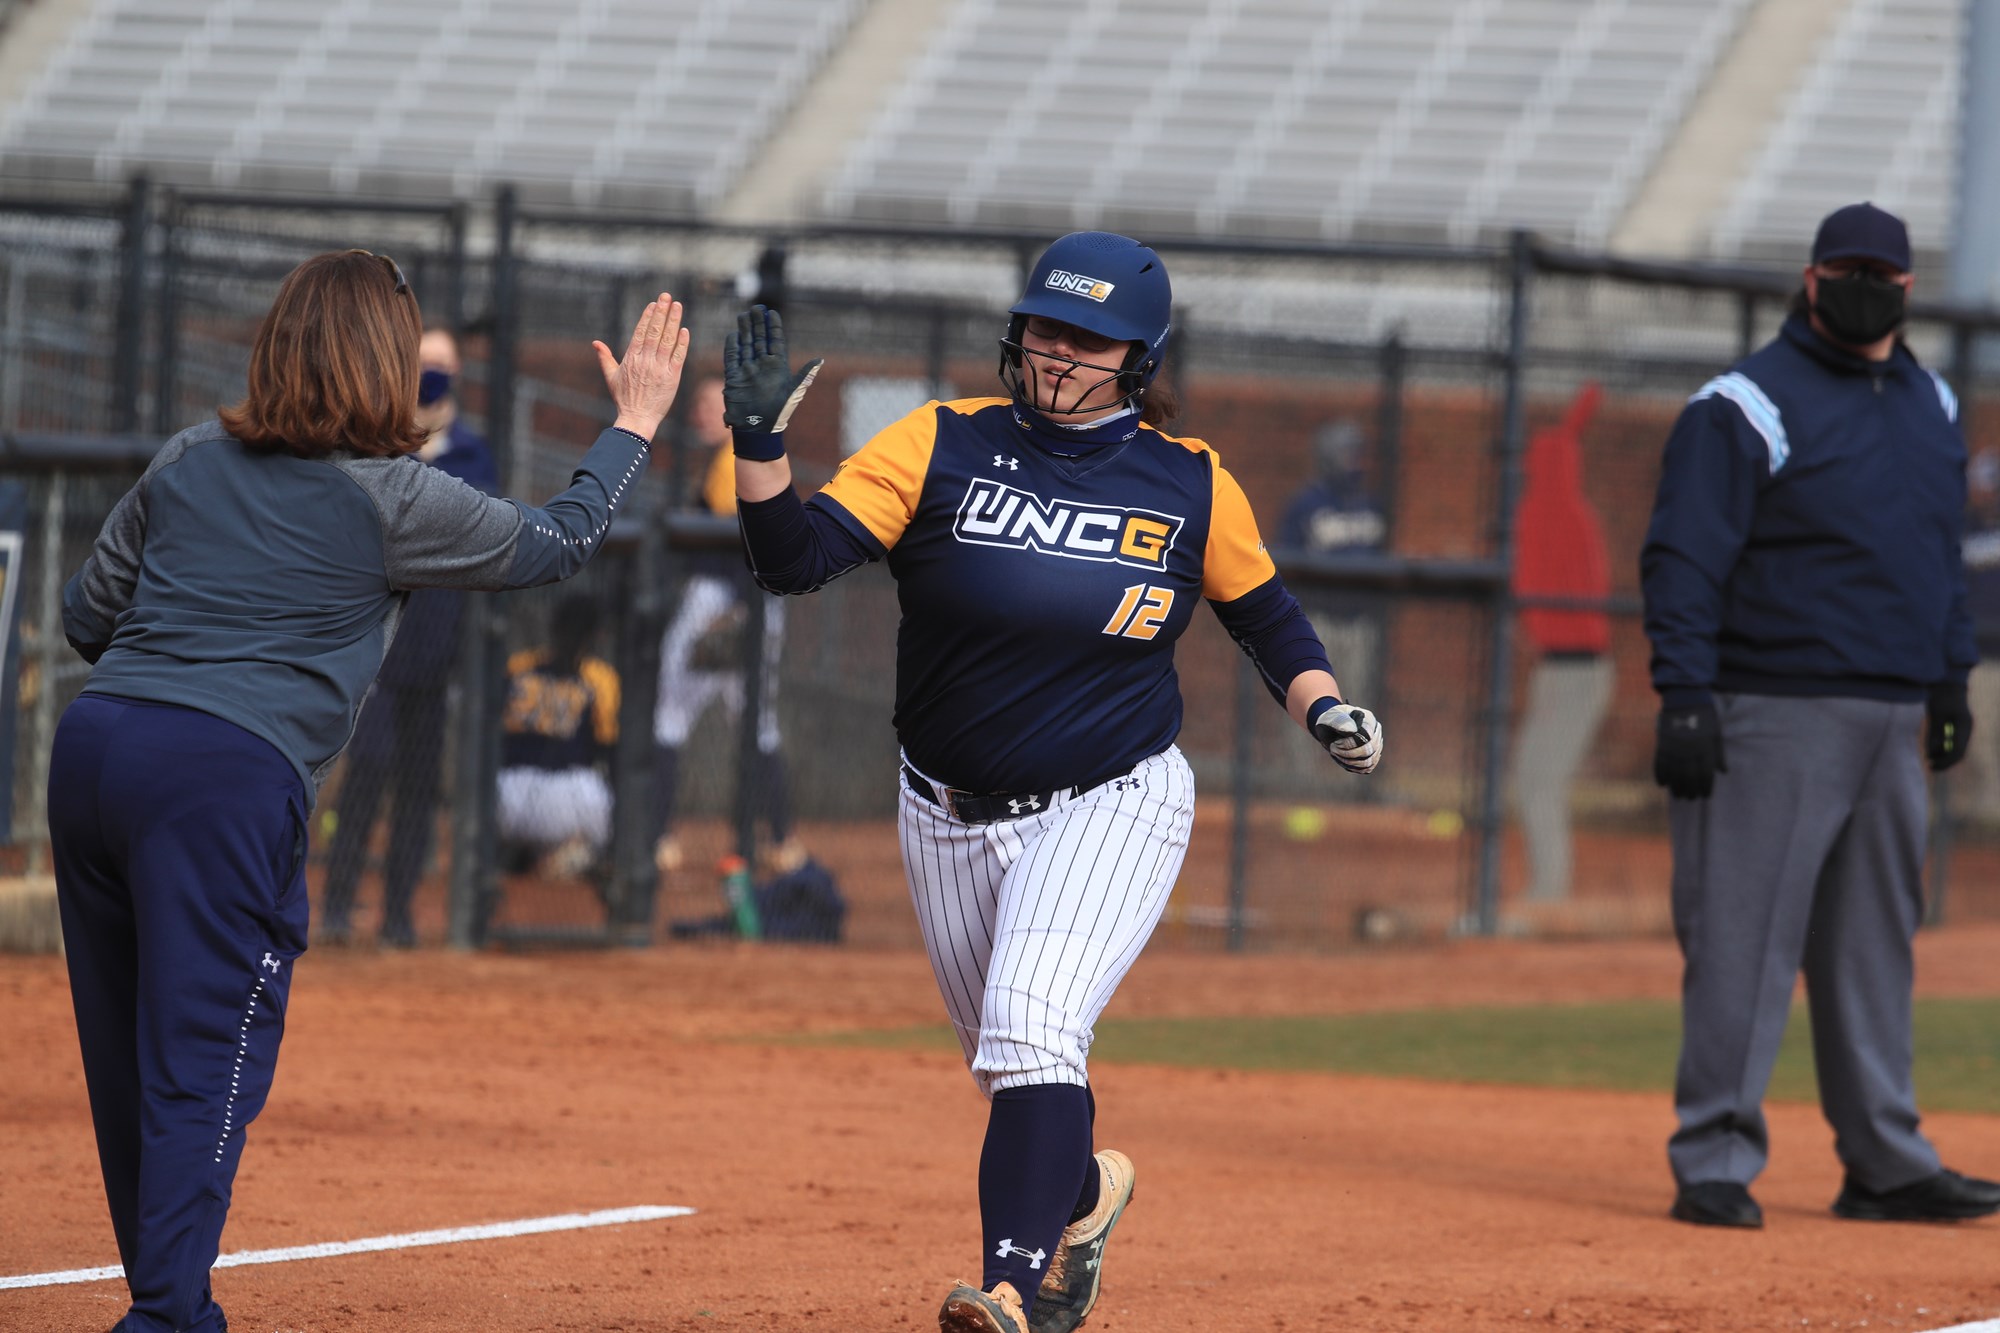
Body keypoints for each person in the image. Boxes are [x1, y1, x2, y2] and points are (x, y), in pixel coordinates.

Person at [726, 232, 1383, 1333]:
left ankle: (1006, 1291)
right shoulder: (938, 442)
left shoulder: (1187, 481)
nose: (1054, 352)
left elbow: (1265, 616)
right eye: (1042, 327)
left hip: (1109, 797)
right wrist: (757, 442)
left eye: (1085, 337)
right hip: (941, 808)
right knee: (1014, 1068)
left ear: (1139, 358)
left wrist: (1321, 704)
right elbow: (789, 560)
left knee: (1029, 1026)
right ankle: (1081, 1199)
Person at [50, 250, 688, 1333]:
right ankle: (165, 1317)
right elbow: (560, 542)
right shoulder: (393, 496)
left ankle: (164, 1297)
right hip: (220, 780)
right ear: (386, 364)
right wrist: (633, 424)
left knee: (128, 1048)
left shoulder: (188, 456)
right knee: (205, 1056)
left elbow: (84, 617)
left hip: (99, 747)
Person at [1641, 202, 2000, 1229]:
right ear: (1808, 279)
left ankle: (1884, 1160)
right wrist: (1684, 695)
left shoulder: (1928, 399)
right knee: (1739, 939)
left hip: (1893, 711)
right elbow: (1681, 557)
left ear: (1904, 288)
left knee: (1872, 945)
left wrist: (1947, 679)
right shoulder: (1742, 403)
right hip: (1771, 708)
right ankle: (1712, 1155)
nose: (1861, 285)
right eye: (1843, 268)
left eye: (1878, 272)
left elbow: (1937, 559)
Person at [318, 326, 498, 946]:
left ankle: (398, 914)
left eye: (442, 365)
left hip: (438, 650)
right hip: (375, 650)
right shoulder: (375, 445)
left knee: (419, 792)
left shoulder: (473, 455)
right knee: (365, 776)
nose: (432, 376)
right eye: (423, 364)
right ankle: (338, 904)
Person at [651, 376, 801, 874]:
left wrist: (736, 608)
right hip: (758, 604)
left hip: (723, 600)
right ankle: (781, 841)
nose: (696, 411)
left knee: (668, 716)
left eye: (706, 402)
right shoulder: (748, 458)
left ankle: (656, 836)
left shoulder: (731, 462)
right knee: (757, 724)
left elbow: (749, 536)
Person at [1508, 383, 1612, 904]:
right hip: (1563, 671)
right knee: (1533, 780)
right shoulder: (1563, 513)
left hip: (1577, 673)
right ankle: (1549, 888)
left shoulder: (1550, 515)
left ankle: (1551, 893)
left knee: (1538, 781)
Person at [497, 594, 621, 879]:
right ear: (597, 635)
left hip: (504, 799)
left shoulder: (518, 666)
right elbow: (609, 749)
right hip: (569, 803)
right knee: (605, 785)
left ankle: (512, 851)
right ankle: (579, 855)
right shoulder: (600, 677)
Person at [1276, 417, 1387, 714]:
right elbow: (1286, 562)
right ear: (1327, 455)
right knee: (1306, 699)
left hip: (1358, 623)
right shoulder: (1306, 503)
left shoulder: (1369, 503)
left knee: (1357, 702)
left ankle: (1353, 760)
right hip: (1316, 620)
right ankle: (1300, 764)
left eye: (1359, 454)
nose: (1356, 463)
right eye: (1348, 454)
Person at [1956, 448, 2000, 821]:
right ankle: (1985, 818)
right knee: (1979, 739)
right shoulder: (1962, 530)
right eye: (1985, 488)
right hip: (1979, 657)